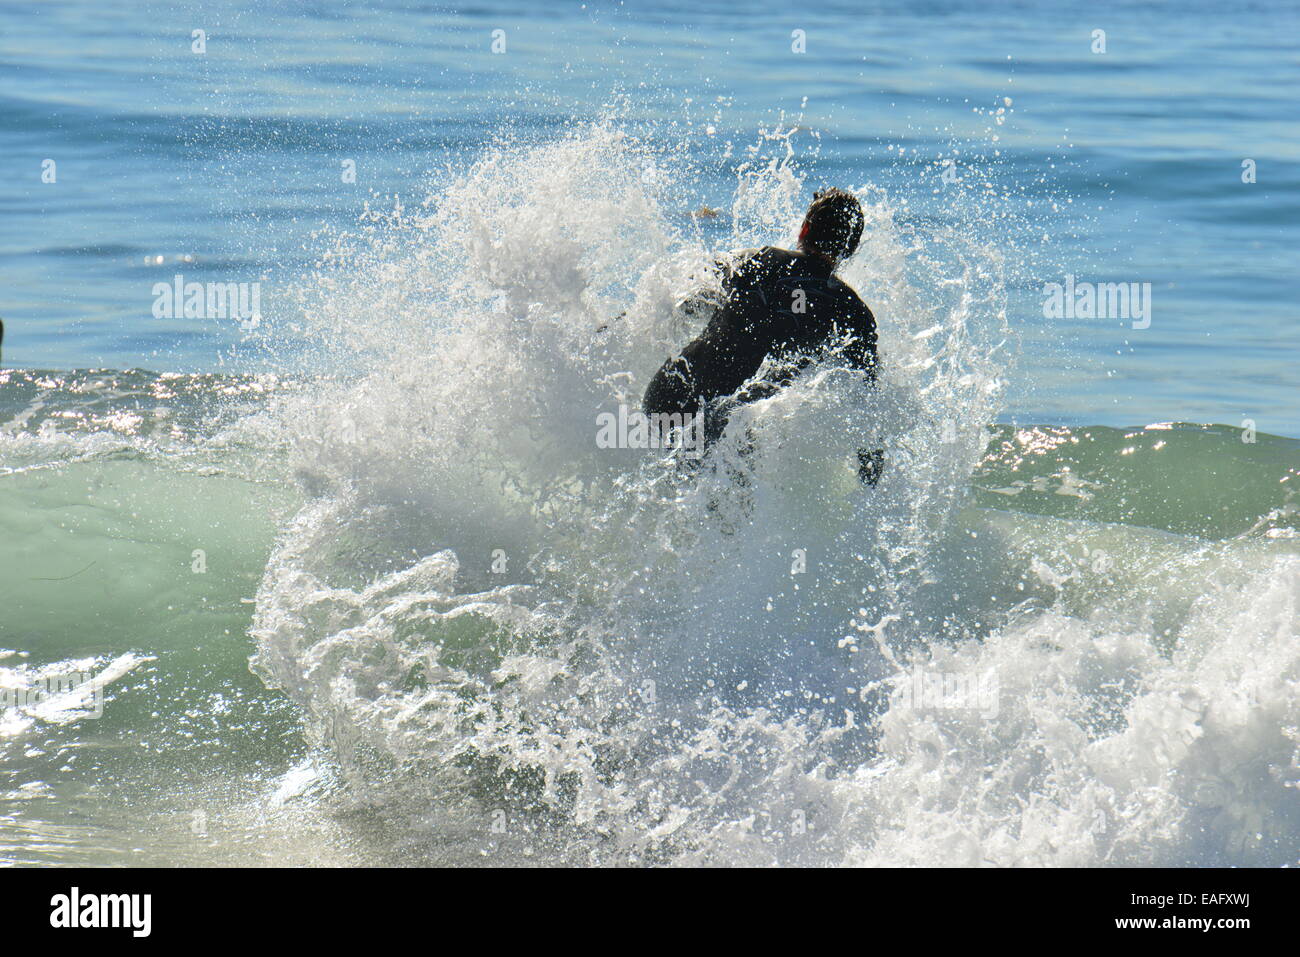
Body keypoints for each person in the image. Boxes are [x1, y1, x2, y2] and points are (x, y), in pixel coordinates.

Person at [643, 188, 883, 484]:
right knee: (721, 507)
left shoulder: (754, 260)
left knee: (651, 483)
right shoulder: (853, 312)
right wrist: (869, 465)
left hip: (670, 391)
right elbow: (866, 406)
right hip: (724, 425)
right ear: (850, 249)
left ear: (804, 229)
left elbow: (679, 307)